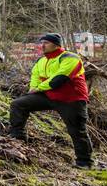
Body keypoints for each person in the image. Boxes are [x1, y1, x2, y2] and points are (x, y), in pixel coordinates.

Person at [7, 32, 93, 168]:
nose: (42, 45)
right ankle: (17, 136)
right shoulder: (41, 60)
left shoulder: (71, 58)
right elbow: (35, 75)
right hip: (48, 95)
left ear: (55, 44)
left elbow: (59, 79)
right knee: (18, 104)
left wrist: (38, 88)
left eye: (46, 43)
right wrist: (33, 88)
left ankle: (84, 162)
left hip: (71, 98)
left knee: (77, 130)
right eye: (42, 43)